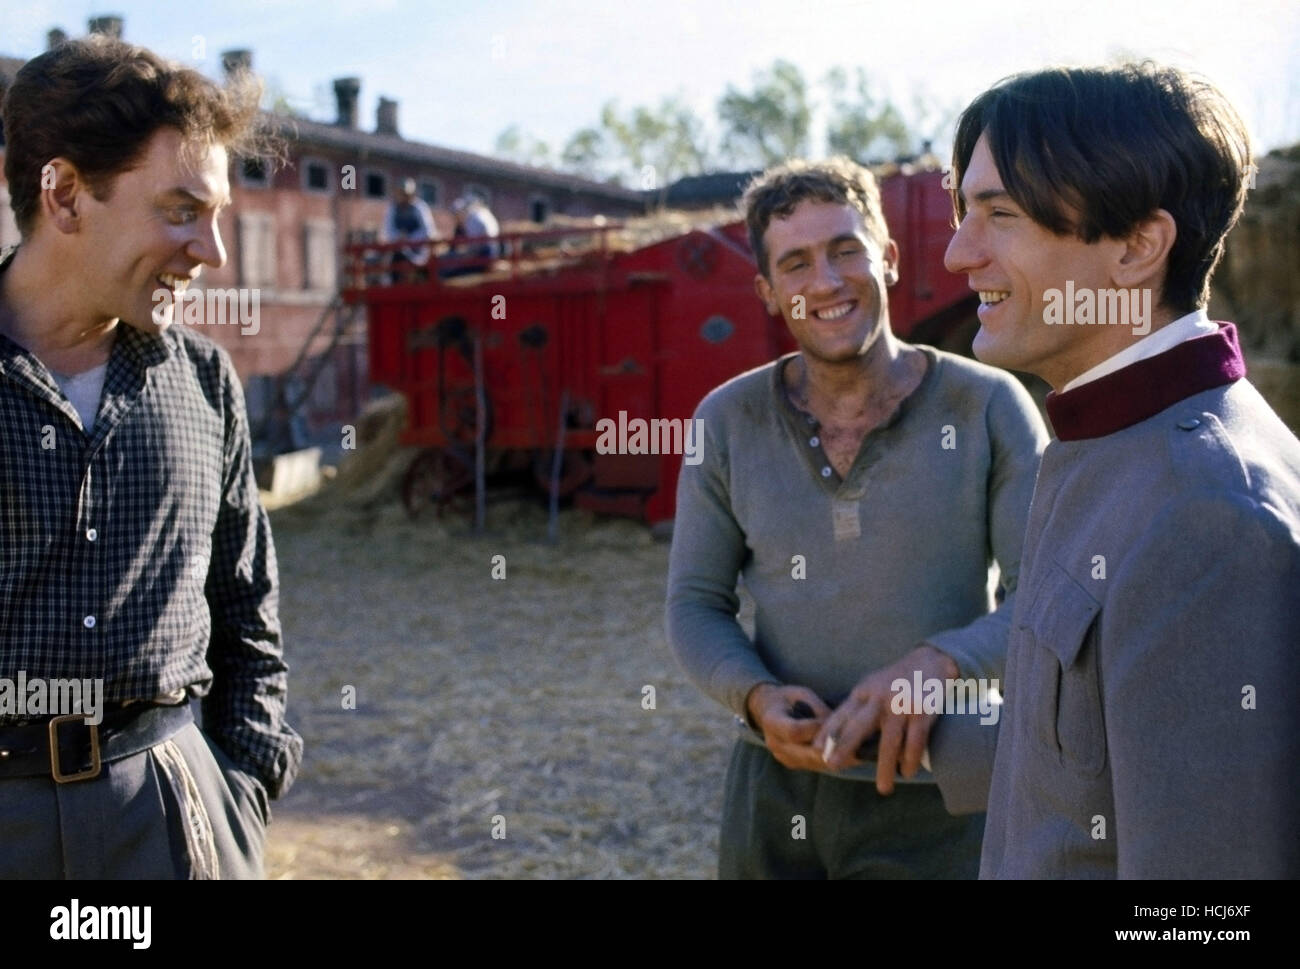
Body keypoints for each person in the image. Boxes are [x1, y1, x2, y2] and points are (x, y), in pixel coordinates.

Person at [944, 62, 1300, 878]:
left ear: (1138, 248)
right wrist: (916, 726)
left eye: (1000, 214)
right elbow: (1101, 753)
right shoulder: (1110, 437)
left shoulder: (1208, 514)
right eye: (966, 210)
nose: (959, 252)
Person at [665, 157, 1048, 879]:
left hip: (946, 791)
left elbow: (1045, 600)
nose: (826, 282)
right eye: (797, 263)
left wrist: (943, 663)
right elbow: (694, 603)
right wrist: (754, 696)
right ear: (769, 292)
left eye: (846, 250)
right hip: (774, 796)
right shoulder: (727, 420)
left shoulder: (989, 406)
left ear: (890, 259)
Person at [0, 35, 302, 878]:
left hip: (174, 821)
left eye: (216, 217)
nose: (213, 253)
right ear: (62, 195)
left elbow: (248, 609)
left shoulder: (205, 380)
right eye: (180, 211)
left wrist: (240, 784)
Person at [381, 177, 435, 282]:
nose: (404, 197)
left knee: (421, 271)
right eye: (402, 193)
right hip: (399, 250)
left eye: (406, 194)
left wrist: (409, 238)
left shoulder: (420, 207)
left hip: (419, 251)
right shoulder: (392, 209)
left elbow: (428, 231)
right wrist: (399, 237)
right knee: (395, 262)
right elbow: (388, 231)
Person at [441, 194, 501, 277]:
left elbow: (474, 249)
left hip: (484, 256)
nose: (455, 219)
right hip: (491, 252)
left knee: (449, 272)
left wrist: (460, 258)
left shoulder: (472, 220)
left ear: (460, 212)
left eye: (456, 215)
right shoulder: (479, 213)